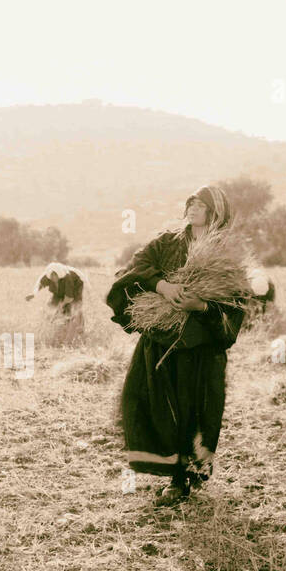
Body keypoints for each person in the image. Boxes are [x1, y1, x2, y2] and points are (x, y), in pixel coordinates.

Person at [106, 185, 244, 505]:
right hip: (162, 342)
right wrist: (162, 285)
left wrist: (202, 308)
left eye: (201, 204)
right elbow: (133, 270)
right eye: (191, 202)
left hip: (200, 349)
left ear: (216, 212)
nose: (193, 207)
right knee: (151, 404)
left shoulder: (225, 256)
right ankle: (174, 473)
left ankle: (187, 475)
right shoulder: (167, 242)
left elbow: (235, 306)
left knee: (192, 411)